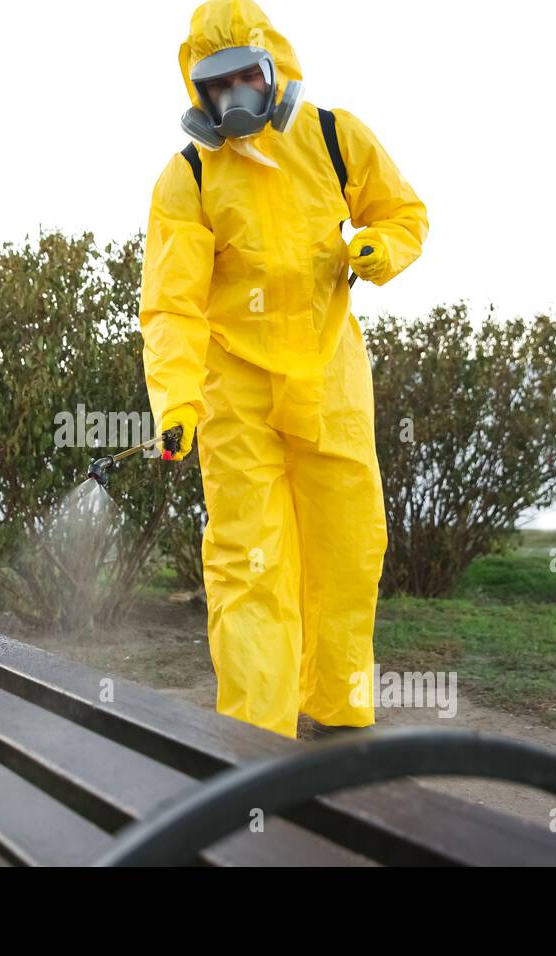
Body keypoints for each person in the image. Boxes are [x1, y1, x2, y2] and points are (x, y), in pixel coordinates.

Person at [139, 0, 428, 739]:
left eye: (245, 77)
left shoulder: (335, 136)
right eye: (215, 85)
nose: (232, 96)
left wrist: (378, 251)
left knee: (347, 551)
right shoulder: (188, 177)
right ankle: (253, 742)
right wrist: (175, 403)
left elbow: (404, 214)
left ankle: (336, 716)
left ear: (275, 69)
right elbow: (172, 307)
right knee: (248, 565)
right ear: (196, 92)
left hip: (329, 381)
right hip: (235, 396)